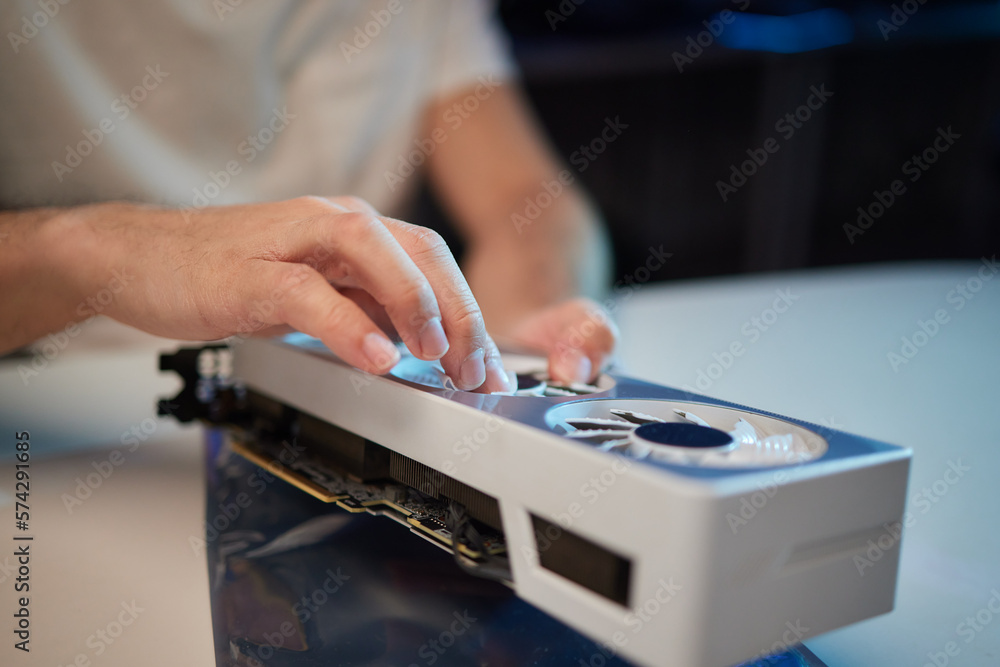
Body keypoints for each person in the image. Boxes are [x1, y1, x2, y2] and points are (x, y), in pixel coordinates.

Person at [0, 0, 617, 392]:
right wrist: (97, 251)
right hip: (75, 404)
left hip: (364, 388)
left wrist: (518, 332)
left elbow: (522, 198)